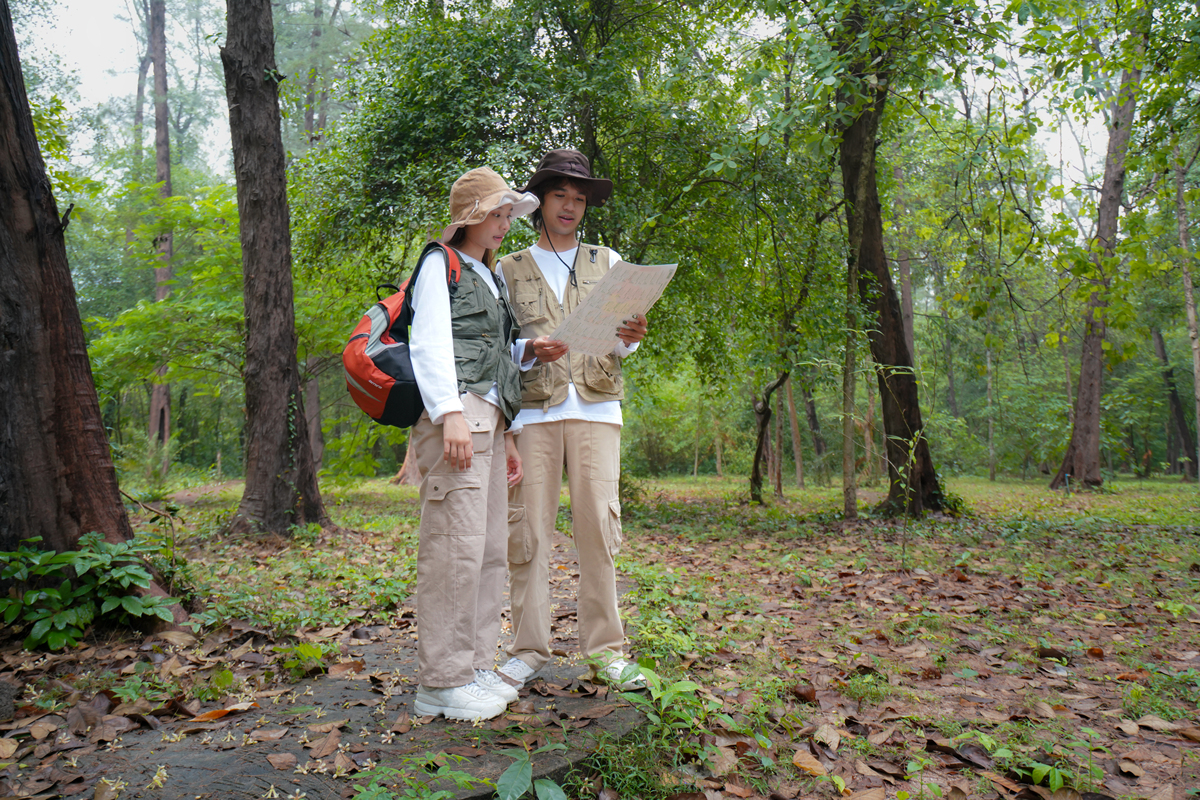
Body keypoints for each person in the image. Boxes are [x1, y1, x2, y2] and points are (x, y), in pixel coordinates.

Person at [496, 149, 649, 692]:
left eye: (579, 199)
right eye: (560, 195)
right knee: (528, 535)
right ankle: (527, 651)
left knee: (599, 532)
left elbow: (621, 343)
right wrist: (529, 350)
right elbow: (495, 348)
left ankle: (607, 652)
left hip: (597, 410)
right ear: (541, 202)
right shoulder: (507, 268)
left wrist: (631, 338)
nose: (569, 206)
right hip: (533, 414)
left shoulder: (609, 262)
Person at [408, 167, 539, 721]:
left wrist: (508, 435)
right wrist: (449, 414)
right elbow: (429, 341)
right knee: (452, 547)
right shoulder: (440, 263)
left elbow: (494, 354)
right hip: (457, 415)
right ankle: (441, 682)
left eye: (508, 214)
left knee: (486, 548)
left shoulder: (489, 275)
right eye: (496, 213)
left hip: (490, 419)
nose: (505, 223)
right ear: (470, 217)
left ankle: (475, 665)